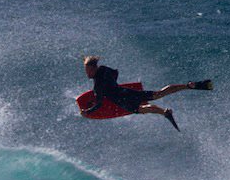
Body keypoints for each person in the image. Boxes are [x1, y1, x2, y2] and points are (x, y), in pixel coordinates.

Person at [80, 56, 212, 131]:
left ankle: (165, 112)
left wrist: (88, 111)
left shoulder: (98, 85)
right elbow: (116, 73)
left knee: (142, 109)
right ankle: (188, 86)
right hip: (126, 92)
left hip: (123, 102)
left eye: (87, 70)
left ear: (92, 68)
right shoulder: (105, 70)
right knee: (157, 94)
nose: (86, 73)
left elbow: (99, 103)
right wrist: (113, 85)